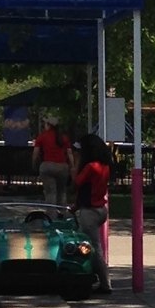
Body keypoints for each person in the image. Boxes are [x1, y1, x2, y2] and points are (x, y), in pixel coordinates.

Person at [70, 133, 113, 291]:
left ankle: (104, 282)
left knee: (93, 247)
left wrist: (75, 162)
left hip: (90, 211)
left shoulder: (90, 167)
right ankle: (97, 277)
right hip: (100, 208)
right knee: (91, 245)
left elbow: (77, 183)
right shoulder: (105, 166)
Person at [34, 117, 73, 210]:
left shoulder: (42, 136)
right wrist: (72, 166)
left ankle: (51, 215)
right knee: (62, 191)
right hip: (62, 167)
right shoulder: (63, 137)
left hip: (47, 166)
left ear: (49, 125)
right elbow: (69, 153)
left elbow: (35, 153)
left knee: (50, 192)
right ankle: (62, 213)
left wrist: (34, 163)